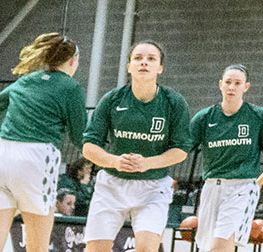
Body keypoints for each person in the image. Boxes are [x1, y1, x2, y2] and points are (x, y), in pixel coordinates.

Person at [0, 33, 87, 252]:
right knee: (37, 247)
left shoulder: (25, 80)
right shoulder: (71, 87)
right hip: (36, 157)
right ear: (73, 60)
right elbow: (79, 136)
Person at [80, 41, 192, 252]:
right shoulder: (112, 99)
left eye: (151, 59)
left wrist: (147, 163)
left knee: (147, 249)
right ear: (129, 66)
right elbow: (89, 147)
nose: (144, 63)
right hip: (112, 184)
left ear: (160, 68)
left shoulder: (174, 102)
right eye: (138, 58)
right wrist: (115, 161)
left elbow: (180, 151)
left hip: (153, 186)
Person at [192, 63, 263, 252]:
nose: (231, 87)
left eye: (237, 83)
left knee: (219, 247)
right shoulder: (204, 118)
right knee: (207, 247)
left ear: (246, 87)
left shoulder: (256, 115)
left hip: (241, 188)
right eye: (228, 82)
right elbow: (183, 146)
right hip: (212, 186)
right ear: (220, 84)